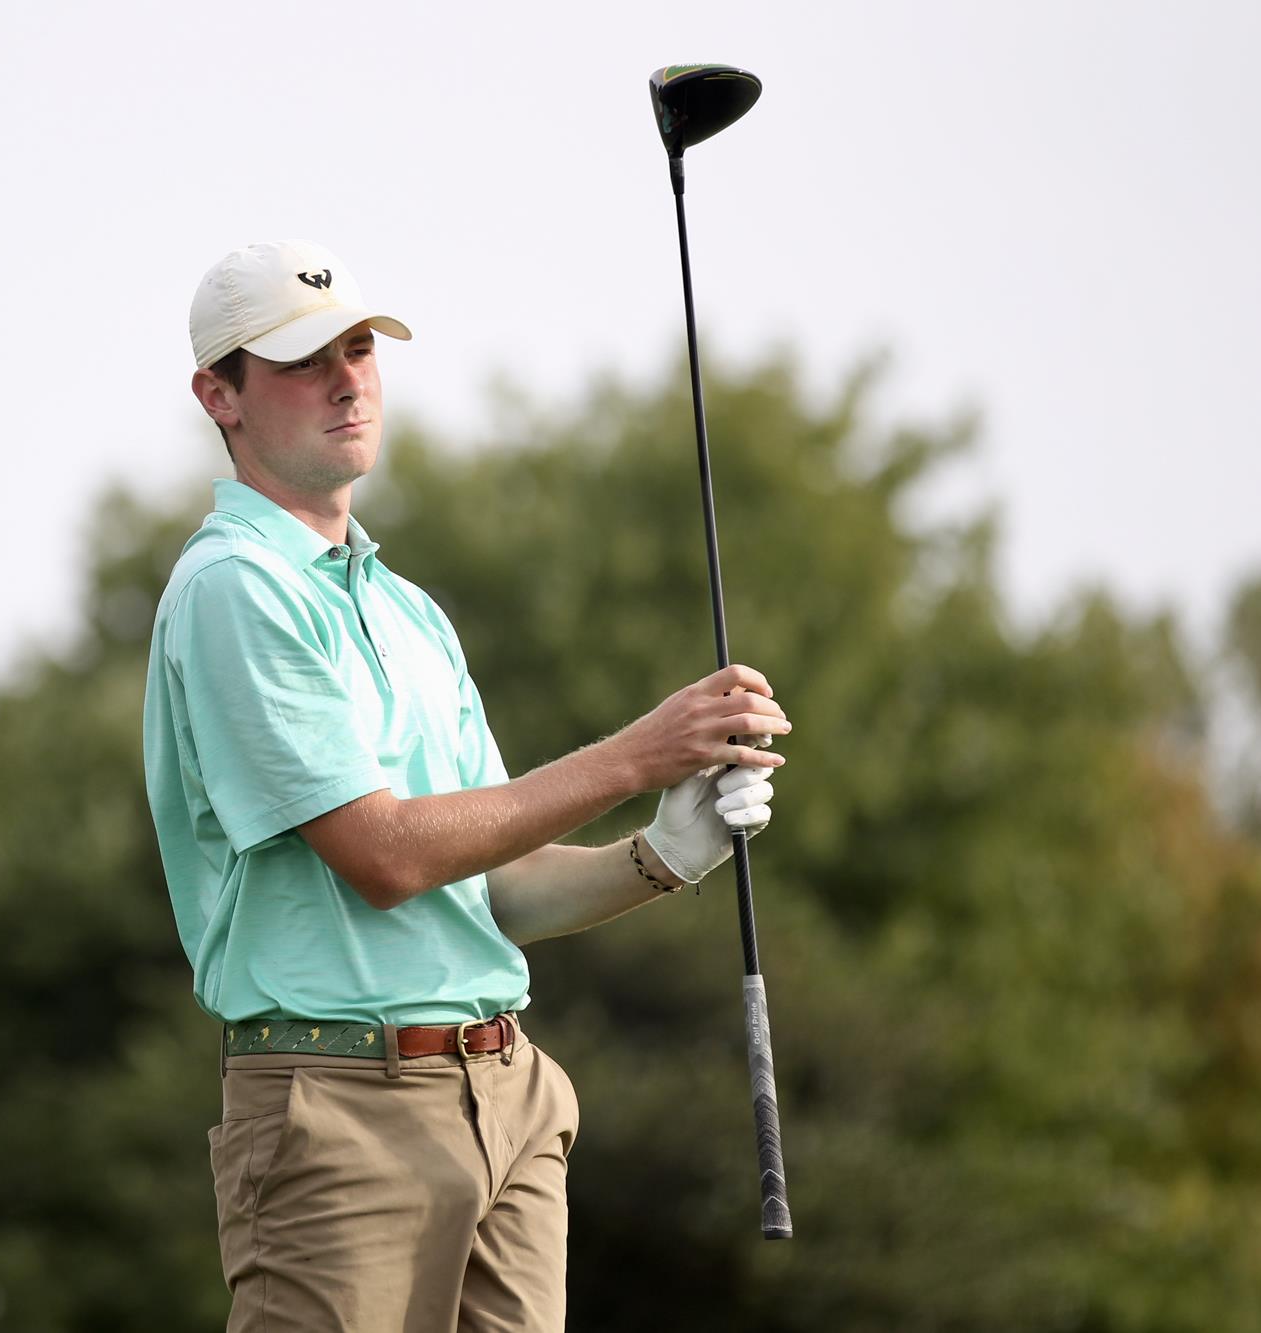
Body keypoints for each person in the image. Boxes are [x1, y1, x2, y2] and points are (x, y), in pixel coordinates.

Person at [141, 239, 789, 1332]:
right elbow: (387, 856)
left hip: (509, 1094)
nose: (347, 378)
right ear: (221, 395)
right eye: (305, 360)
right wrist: (640, 754)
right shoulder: (233, 591)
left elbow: (501, 883)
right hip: (338, 1111)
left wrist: (662, 853)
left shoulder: (407, 611)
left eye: (359, 349)